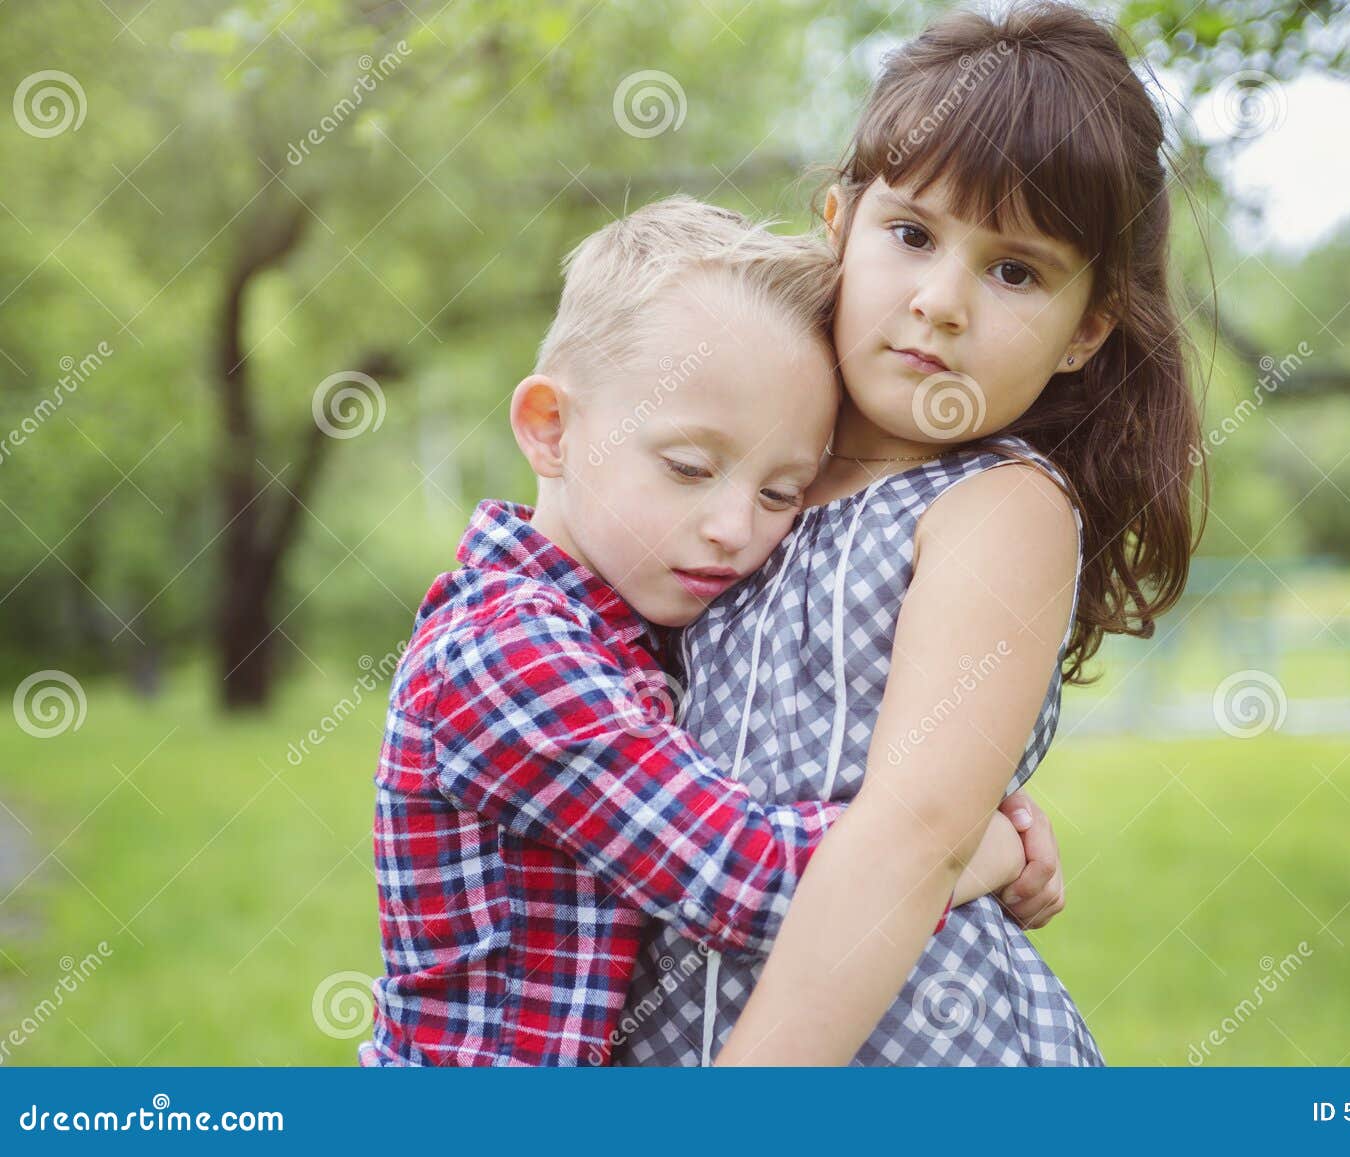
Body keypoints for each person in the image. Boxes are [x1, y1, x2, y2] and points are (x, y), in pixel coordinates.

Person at [619, 2, 1204, 1066]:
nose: (939, 302)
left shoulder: (997, 509)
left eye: (1014, 270)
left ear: (1085, 329)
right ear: (839, 224)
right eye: (912, 234)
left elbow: (907, 837)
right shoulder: (739, 463)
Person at [361, 196, 1061, 1066]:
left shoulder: (647, 624)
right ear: (550, 428)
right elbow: (743, 876)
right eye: (689, 468)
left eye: (779, 492)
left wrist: (959, 802)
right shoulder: (507, 654)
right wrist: (976, 846)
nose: (735, 527)